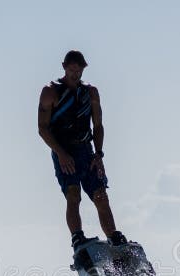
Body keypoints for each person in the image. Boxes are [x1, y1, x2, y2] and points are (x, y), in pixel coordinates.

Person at [38, 50, 128, 250]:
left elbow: (98, 125)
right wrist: (60, 153)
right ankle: (78, 238)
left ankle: (114, 238)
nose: (75, 74)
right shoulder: (50, 91)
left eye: (79, 71)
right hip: (64, 150)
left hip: (86, 150)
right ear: (64, 67)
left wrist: (99, 154)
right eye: (71, 70)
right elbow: (42, 128)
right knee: (73, 194)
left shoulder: (90, 92)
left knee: (100, 194)